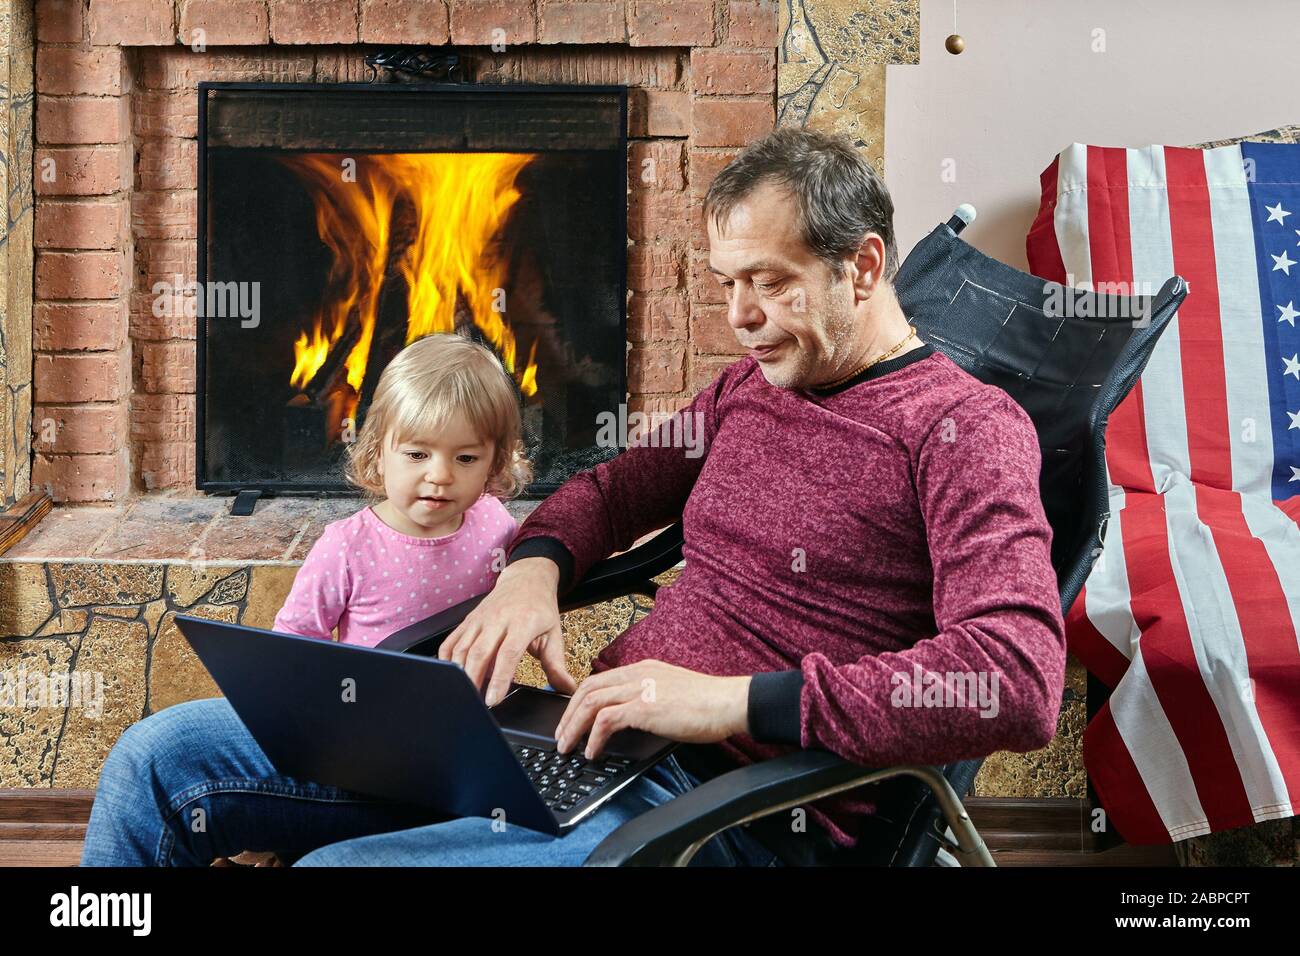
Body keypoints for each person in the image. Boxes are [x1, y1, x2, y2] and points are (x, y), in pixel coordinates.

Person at [80, 127, 1065, 867]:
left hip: (728, 812)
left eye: (770, 282)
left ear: (861, 265)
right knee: (159, 756)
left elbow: (1012, 679)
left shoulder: (961, 430)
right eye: (726, 284)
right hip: (579, 743)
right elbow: (604, 489)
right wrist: (530, 572)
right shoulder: (744, 391)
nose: (742, 320)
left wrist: (729, 700)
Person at [271, 333, 528, 647]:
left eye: (466, 458)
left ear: (493, 462)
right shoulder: (347, 547)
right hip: (368, 696)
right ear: (377, 454)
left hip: (473, 696)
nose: (440, 476)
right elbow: (294, 641)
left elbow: (518, 597)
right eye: (417, 455)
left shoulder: (495, 524)